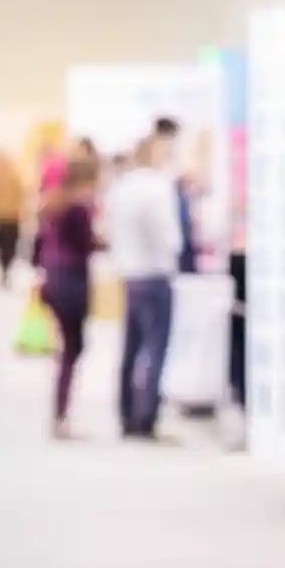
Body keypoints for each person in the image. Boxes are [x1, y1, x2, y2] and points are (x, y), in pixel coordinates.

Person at [106, 137, 180, 441]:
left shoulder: (122, 187)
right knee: (154, 348)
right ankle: (145, 416)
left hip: (130, 274)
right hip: (155, 273)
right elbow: (168, 234)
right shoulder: (158, 187)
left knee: (131, 348)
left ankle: (126, 412)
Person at [40, 160, 100, 440]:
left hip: (54, 280)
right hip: (73, 282)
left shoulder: (54, 206)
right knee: (73, 349)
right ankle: (61, 415)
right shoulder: (79, 209)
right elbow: (87, 244)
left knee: (68, 348)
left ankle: (60, 414)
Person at [0, 149, 27, 288]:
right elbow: (21, 194)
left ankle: (4, 270)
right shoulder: (15, 175)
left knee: (1, 245)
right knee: (10, 246)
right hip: (11, 217)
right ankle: (5, 270)